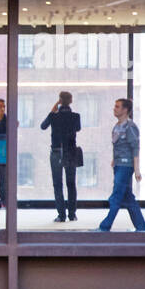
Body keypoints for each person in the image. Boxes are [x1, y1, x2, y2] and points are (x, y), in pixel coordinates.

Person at [98, 98, 145, 232]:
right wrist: (114, 159)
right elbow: (116, 145)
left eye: (118, 107)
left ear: (125, 110)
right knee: (127, 197)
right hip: (118, 165)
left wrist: (137, 169)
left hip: (126, 166)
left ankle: (105, 226)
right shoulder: (116, 126)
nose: (114, 109)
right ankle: (141, 227)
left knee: (116, 195)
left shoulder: (130, 127)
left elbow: (135, 148)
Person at [40, 91, 81, 222]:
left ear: (59, 101)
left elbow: (43, 126)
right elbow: (78, 129)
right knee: (71, 183)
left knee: (58, 184)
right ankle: (72, 214)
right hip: (70, 151)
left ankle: (61, 215)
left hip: (56, 151)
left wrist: (54, 109)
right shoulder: (76, 116)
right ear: (71, 101)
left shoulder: (53, 117)